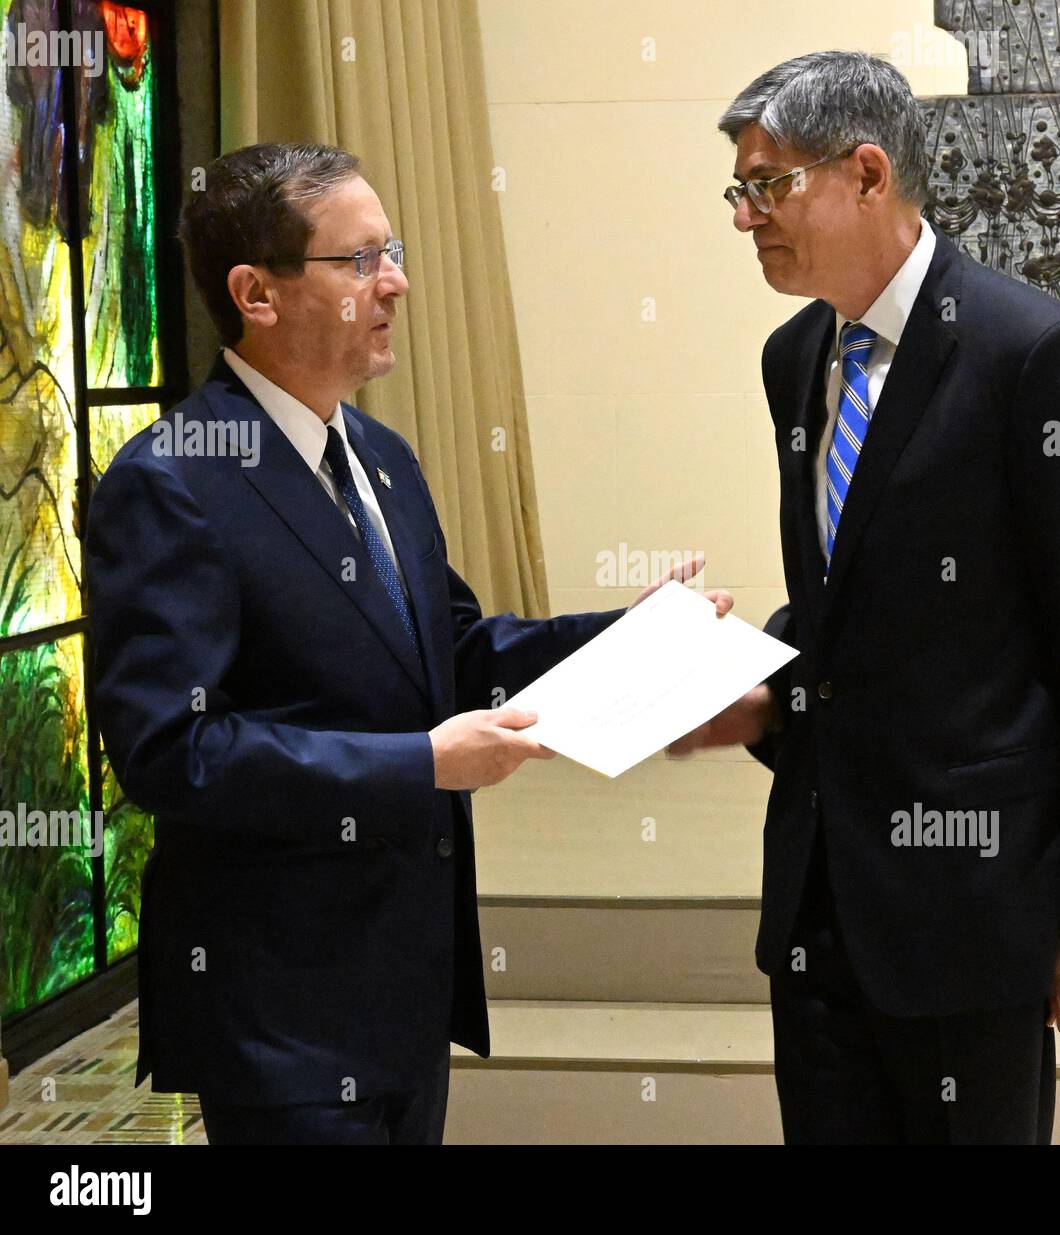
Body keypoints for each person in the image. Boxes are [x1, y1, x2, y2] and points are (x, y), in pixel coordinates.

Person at [86, 142, 731, 1145]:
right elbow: (172, 753)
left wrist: (629, 639)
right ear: (255, 293)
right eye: (360, 260)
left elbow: (455, 652)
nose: (396, 281)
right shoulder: (172, 481)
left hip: (403, 990)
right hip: (278, 1010)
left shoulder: (381, 457)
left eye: (392, 250)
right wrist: (423, 762)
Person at [670, 52, 1060, 1144]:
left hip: (969, 904)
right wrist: (735, 672)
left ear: (866, 172)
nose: (745, 218)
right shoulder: (792, 358)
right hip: (817, 897)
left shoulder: (1032, 354)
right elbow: (847, 618)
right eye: (738, 192)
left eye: (766, 186)